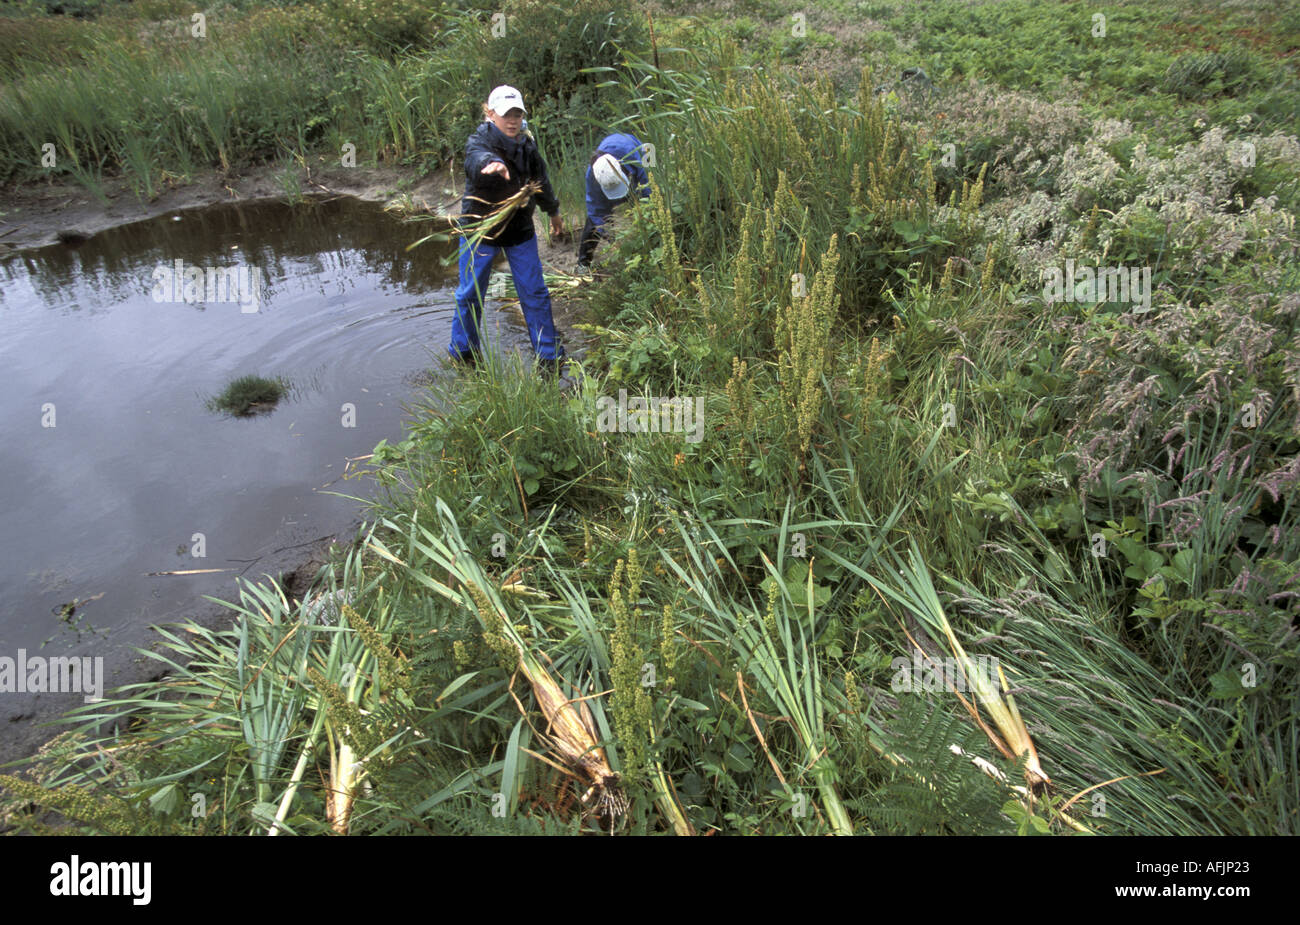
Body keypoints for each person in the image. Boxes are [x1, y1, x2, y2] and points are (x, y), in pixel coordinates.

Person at [450, 85, 566, 372]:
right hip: (481, 230)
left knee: (534, 292)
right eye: (505, 115)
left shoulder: (527, 145)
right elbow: (475, 159)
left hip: (519, 230)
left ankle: (549, 355)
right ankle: (463, 353)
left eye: (517, 114)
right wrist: (492, 164)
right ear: (490, 114)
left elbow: (541, 181)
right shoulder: (478, 141)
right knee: (470, 293)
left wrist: (553, 212)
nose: (512, 120)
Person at [574, 132, 651, 274]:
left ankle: (650, 247)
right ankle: (583, 264)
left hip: (636, 151)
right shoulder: (593, 175)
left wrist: (650, 213)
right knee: (594, 221)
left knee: (645, 205)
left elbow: (647, 189)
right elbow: (596, 211)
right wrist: (612, 238)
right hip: (610, 174)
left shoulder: (632, 155)